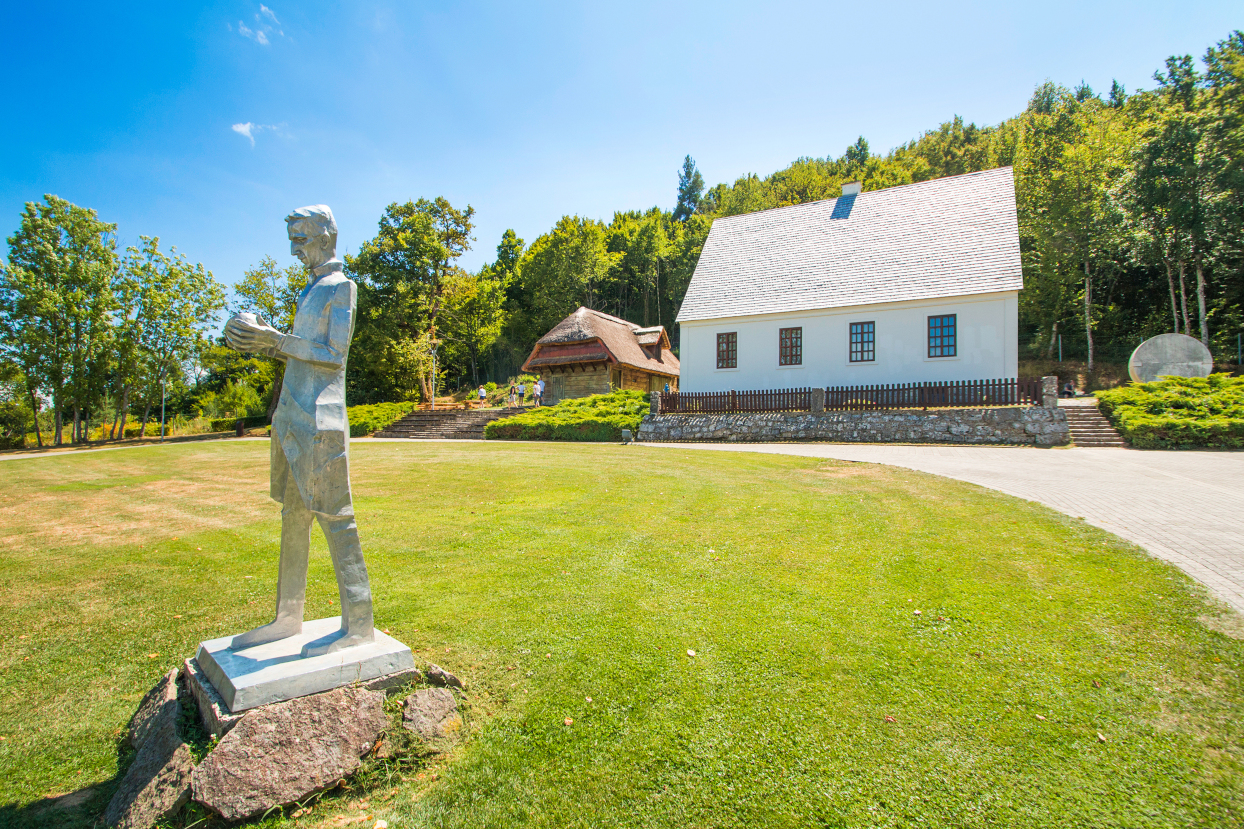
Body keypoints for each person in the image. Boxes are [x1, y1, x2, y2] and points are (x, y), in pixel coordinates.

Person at [224, 204, 373, 657]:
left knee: (336, 518)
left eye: (301, 239)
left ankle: (360, 625)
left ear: (327, 237)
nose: (295, 249)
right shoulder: (309, 289)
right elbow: (301, 355)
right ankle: (288, 616)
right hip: (292, 417)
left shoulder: (341, 287)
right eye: (292, 240)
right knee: (293, 516)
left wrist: (275, 341)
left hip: (321, 422)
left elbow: (333, 353)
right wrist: (263, 342)